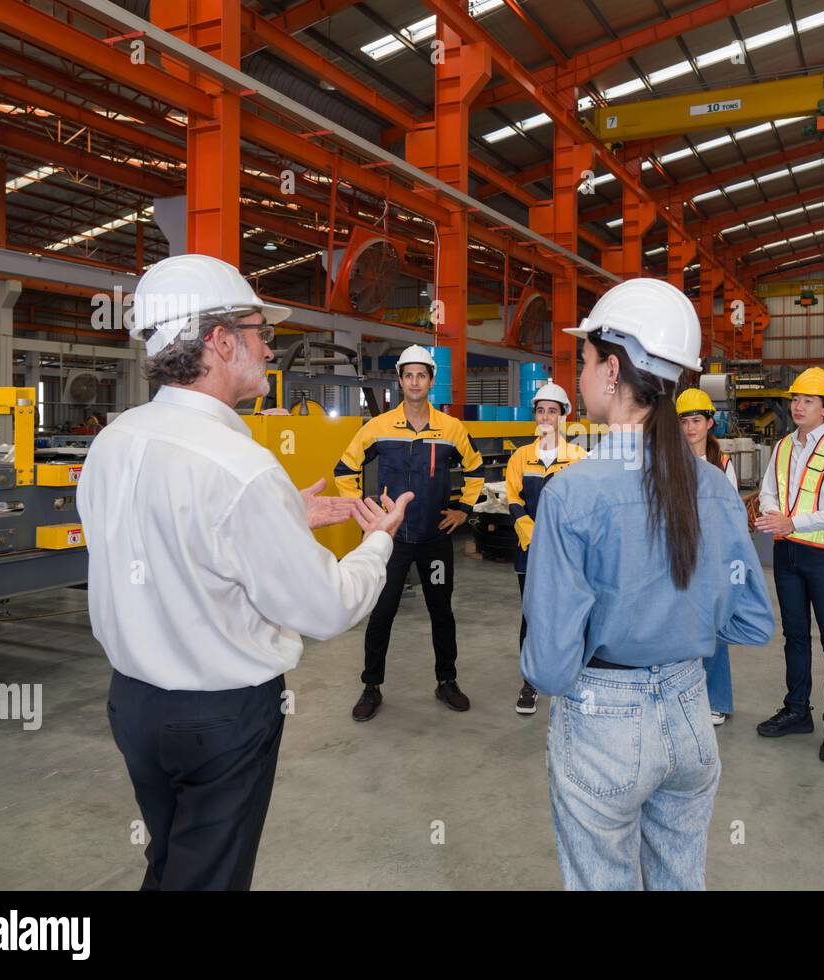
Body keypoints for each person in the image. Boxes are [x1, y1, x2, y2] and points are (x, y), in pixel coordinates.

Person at [78, 253, 410, 890]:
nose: (267, 347)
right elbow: (326, 607)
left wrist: (285, 519)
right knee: (208, 878)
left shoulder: (115, 441)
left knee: (170, 862)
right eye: (263, 333)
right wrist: (377, 544)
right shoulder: (241, 467)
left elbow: (164, 546)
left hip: (134, 706)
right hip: (218, 719)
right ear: (220, 341)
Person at [521, 277, 774, 891]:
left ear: (611, 371)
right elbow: (751, 620)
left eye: (582, 361)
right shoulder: (713, 485)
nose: (578, 377)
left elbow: (550, 668)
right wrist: (678, 616)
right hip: (690, 714)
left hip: (604, 717)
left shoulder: (572, 493)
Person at [334, 345, 485, 720]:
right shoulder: (379, 428)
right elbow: (344, 469)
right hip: (391, 543)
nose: (415, 381)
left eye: (422, 375)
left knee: (441, 612)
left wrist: (463, 509)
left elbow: (476, 469)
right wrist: (366, 517)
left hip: (434, 538)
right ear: (400, 381)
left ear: (431, 381)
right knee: (381, 612)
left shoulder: (451, 429)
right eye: (409, 375)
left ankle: (446, 681)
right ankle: (371, 686)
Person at [751, 367, 824, 763]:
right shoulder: (782, 446)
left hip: (823, 555)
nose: (797, 406)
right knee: (794, 635)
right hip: (786, 553)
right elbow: (767, 492)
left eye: (808, 400)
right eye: (795, 399)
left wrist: (793, 521)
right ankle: (797, 710)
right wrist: (773, 513)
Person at [505, 380, 587, 715]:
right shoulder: (521, 457)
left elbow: (584, 505)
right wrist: (531, 532)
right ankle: (531, 680)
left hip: (567, 554)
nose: (545, 416)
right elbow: (513, 499)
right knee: (532, 615)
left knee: (571, 613)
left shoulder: (578, 457)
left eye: (552, 411)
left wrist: (560, 538)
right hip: (529, 551)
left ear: (563, 416)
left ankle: (572, 675)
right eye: (540, 410)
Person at [676, 386, 738, 726]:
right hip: (678, 554)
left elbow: (729, 515)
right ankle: (682, 697)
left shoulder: (722, 464)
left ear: (710, 423)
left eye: (696, 420)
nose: (690, 428)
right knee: (678, 630)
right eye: (684, 421)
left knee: (714, 632)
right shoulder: (669, 462)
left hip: (711, 558)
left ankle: (716, 700)